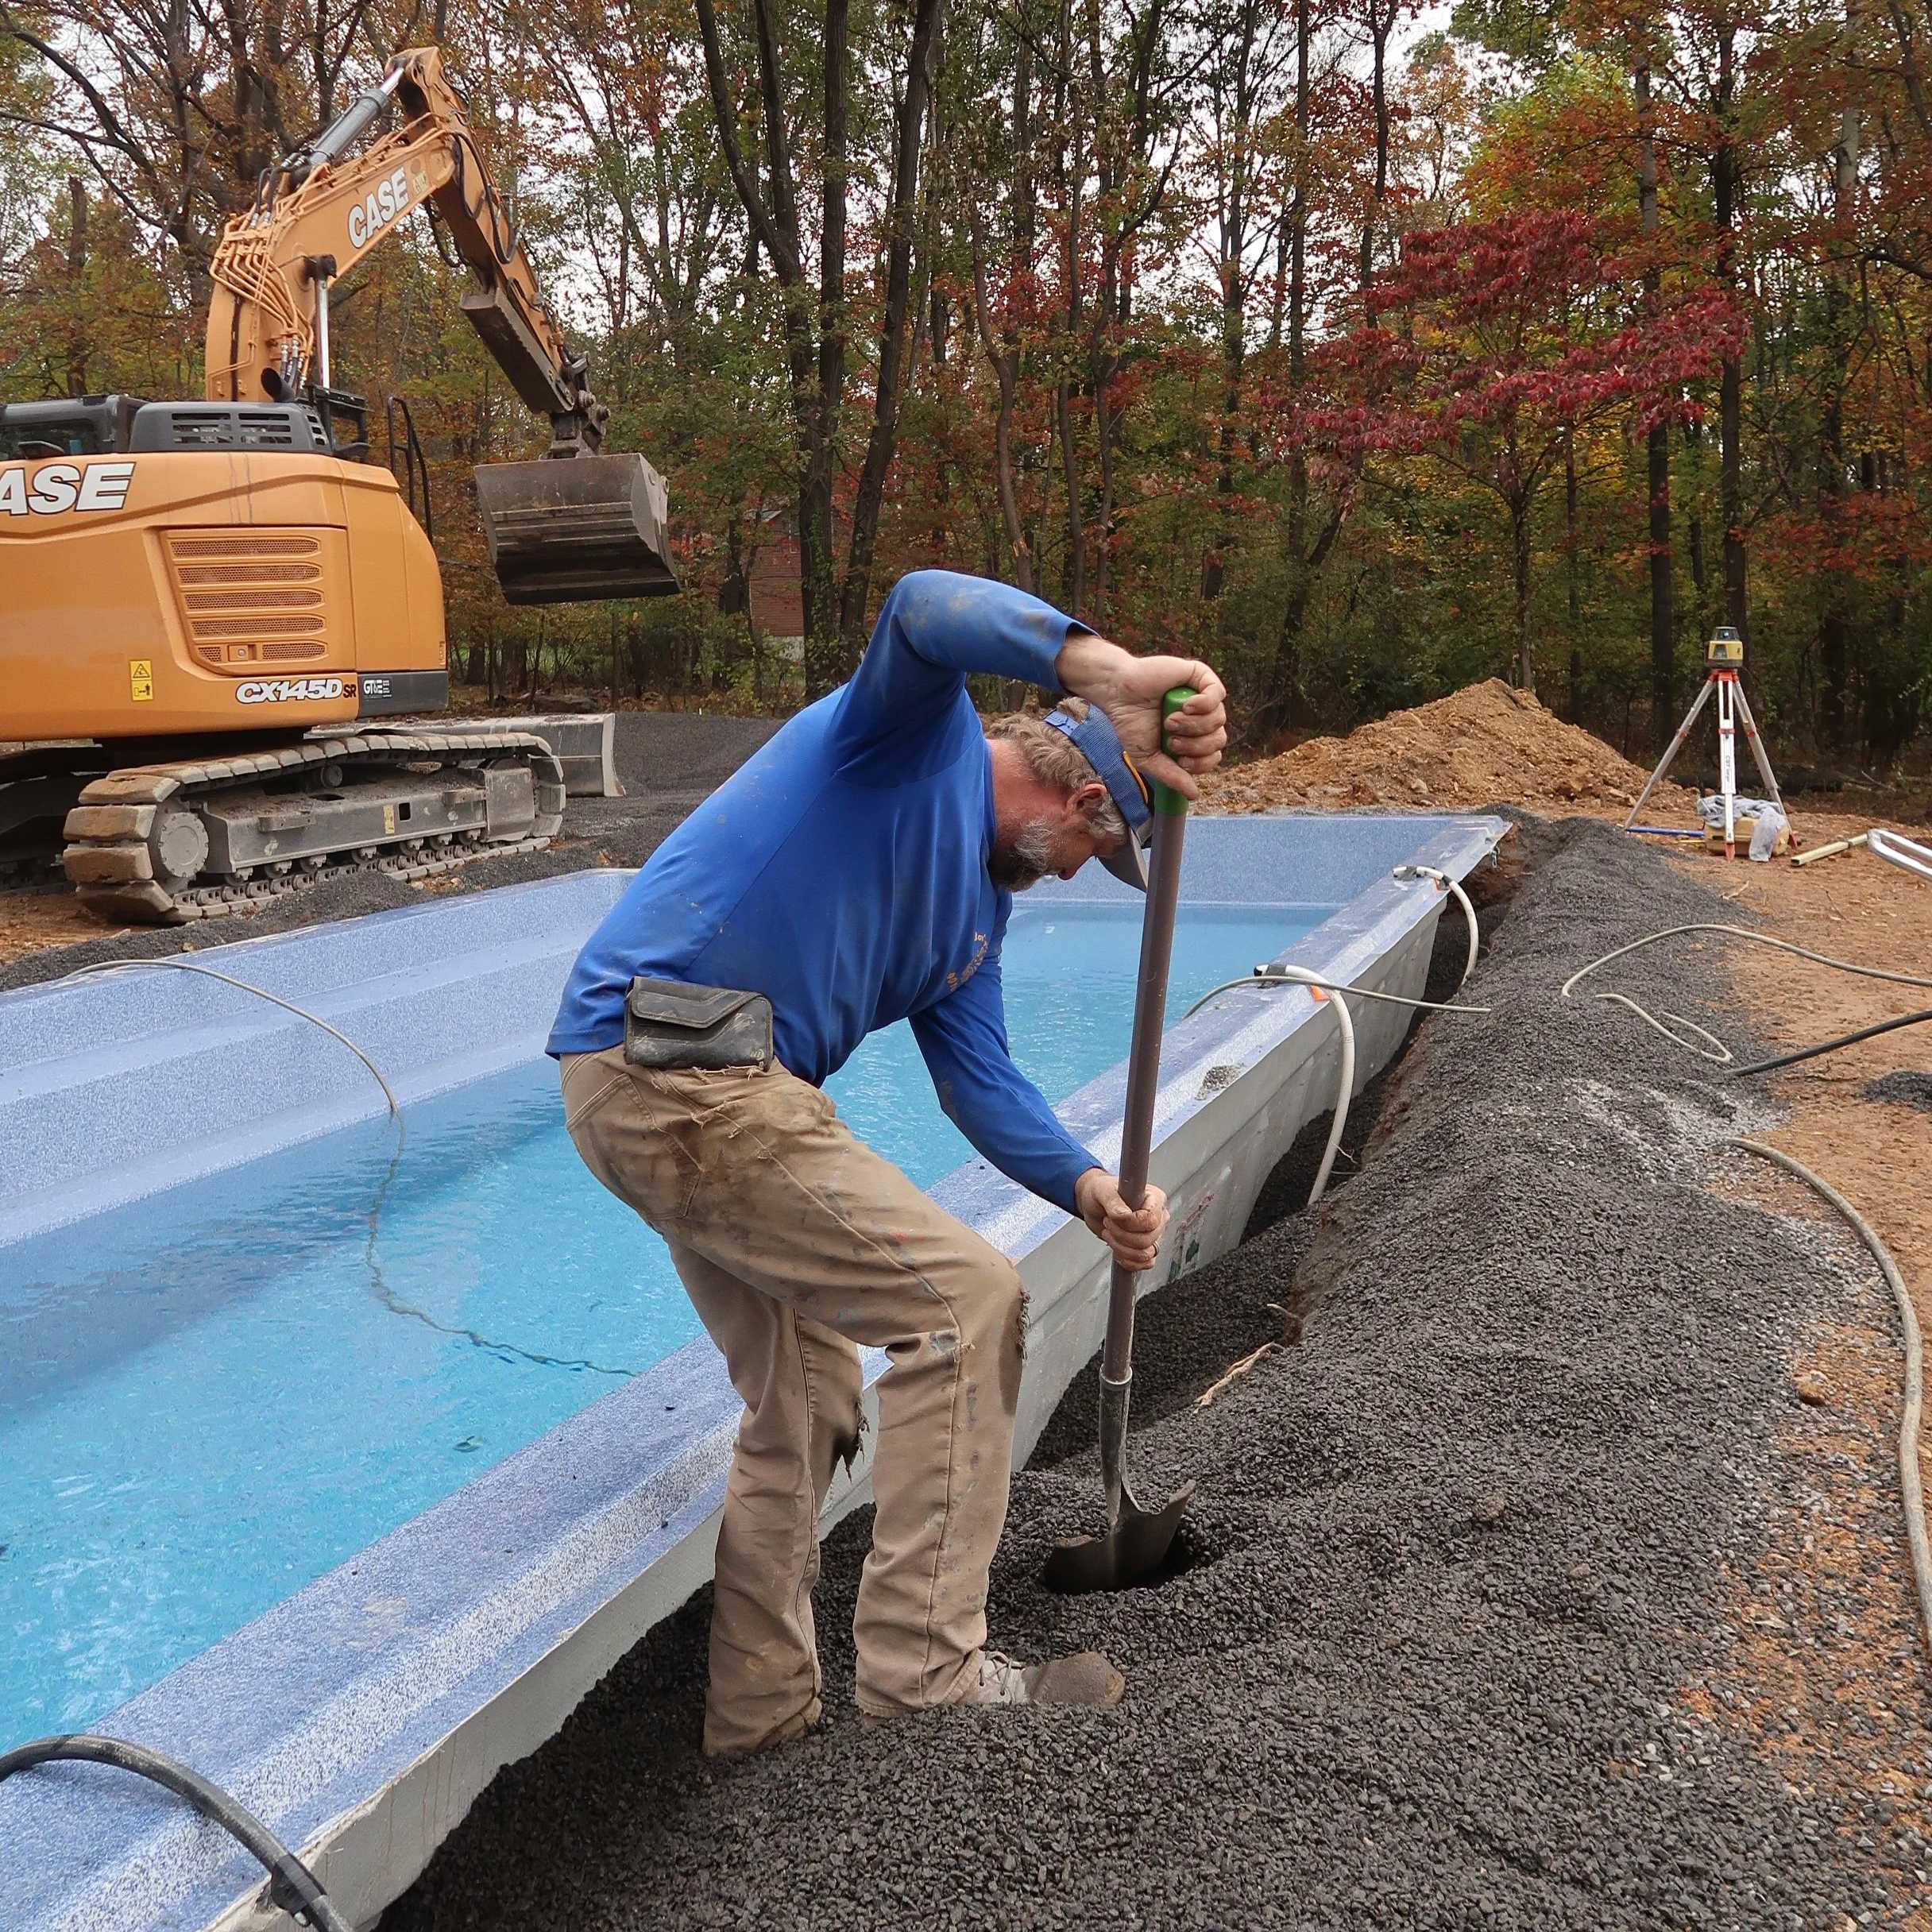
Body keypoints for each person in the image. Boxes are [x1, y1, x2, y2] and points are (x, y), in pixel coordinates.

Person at [548, 569, 1227, 1756]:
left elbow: (983, 1082)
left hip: (694, 1093)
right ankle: (927, 1682)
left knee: (807, 1400)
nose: (1078, 872)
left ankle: (759, 1722)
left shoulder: (977, 919)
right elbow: (920, 605)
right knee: (965, 1305)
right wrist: (1111, 671)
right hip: (674, 1072)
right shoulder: (913, 744)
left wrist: (1087, 1187)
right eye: (1091, 846)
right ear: (1073, 789)